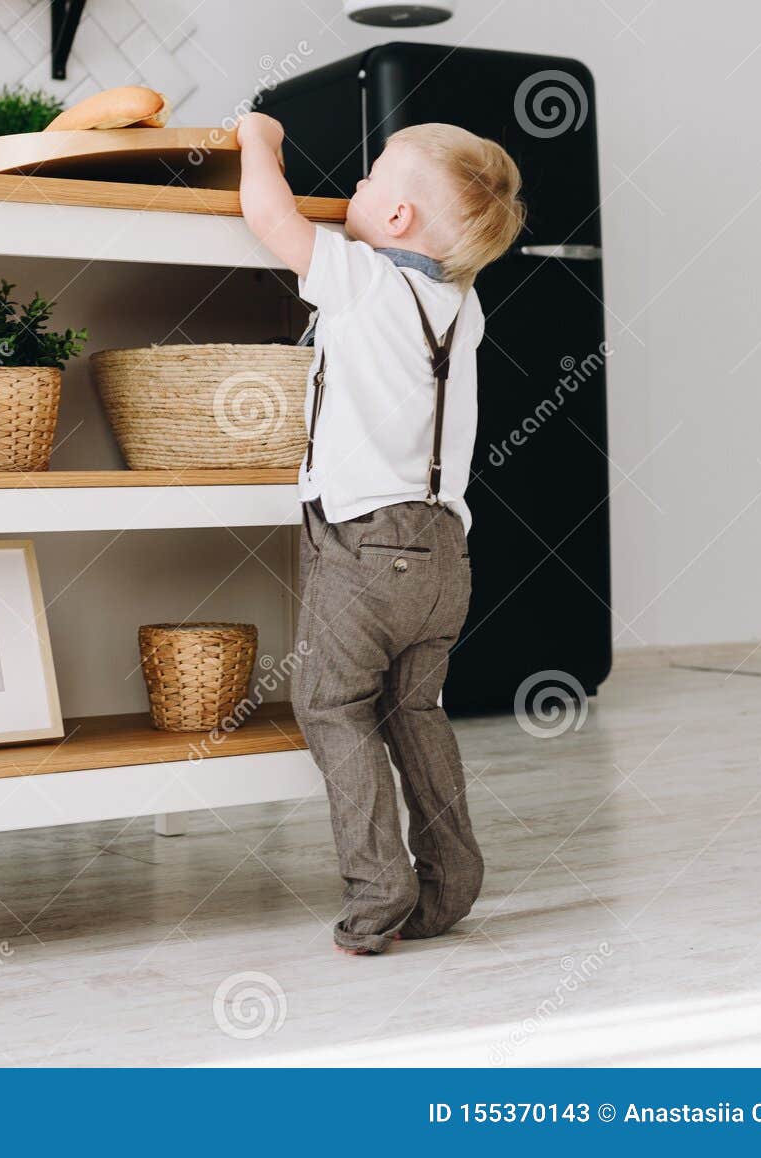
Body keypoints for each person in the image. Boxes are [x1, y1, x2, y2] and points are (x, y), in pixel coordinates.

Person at [237, 112, 526, 954]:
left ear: (395, 221)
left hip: (364, 545)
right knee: (415, 708)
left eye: (366, 179)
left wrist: (261, 141)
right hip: (446, 551)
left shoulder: (361, 280)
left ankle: (379, 888)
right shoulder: (460, 306)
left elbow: (271, 217)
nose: (352, 191)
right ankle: (452, 874)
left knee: (331, 705)